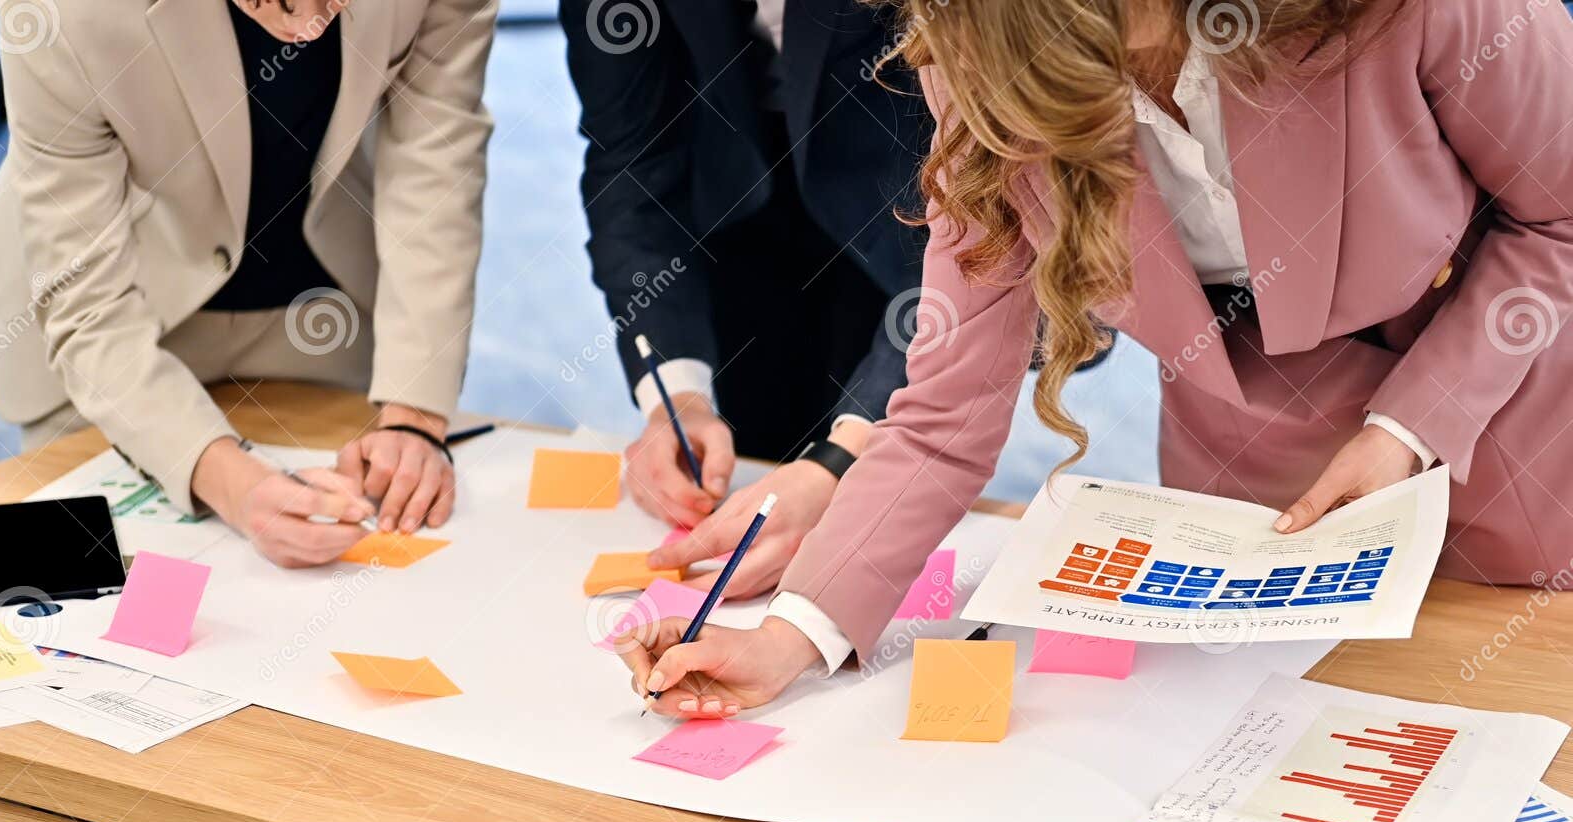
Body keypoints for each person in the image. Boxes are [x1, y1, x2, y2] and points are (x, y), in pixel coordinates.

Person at [616, 0, 1573, 717]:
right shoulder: (986, 49)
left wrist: (1408, 429)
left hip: (1503, 417)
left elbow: (1561, 215)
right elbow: (944, 416)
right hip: (1243, 473)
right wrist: (793, 637)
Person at [0, 0, 496, 566]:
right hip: (107, 330)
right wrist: (232, 484)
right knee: (85, 604)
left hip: (319, 317)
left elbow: (435, 163)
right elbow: (87, 297)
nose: (311, 23)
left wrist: (414, 418)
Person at [560, 0, 931, 601]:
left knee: (898, 476)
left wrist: (840, 459)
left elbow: (993, 252)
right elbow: (631, 160)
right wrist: (675, 396)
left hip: (924, 178)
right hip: (737, 177)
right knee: (758, 460)